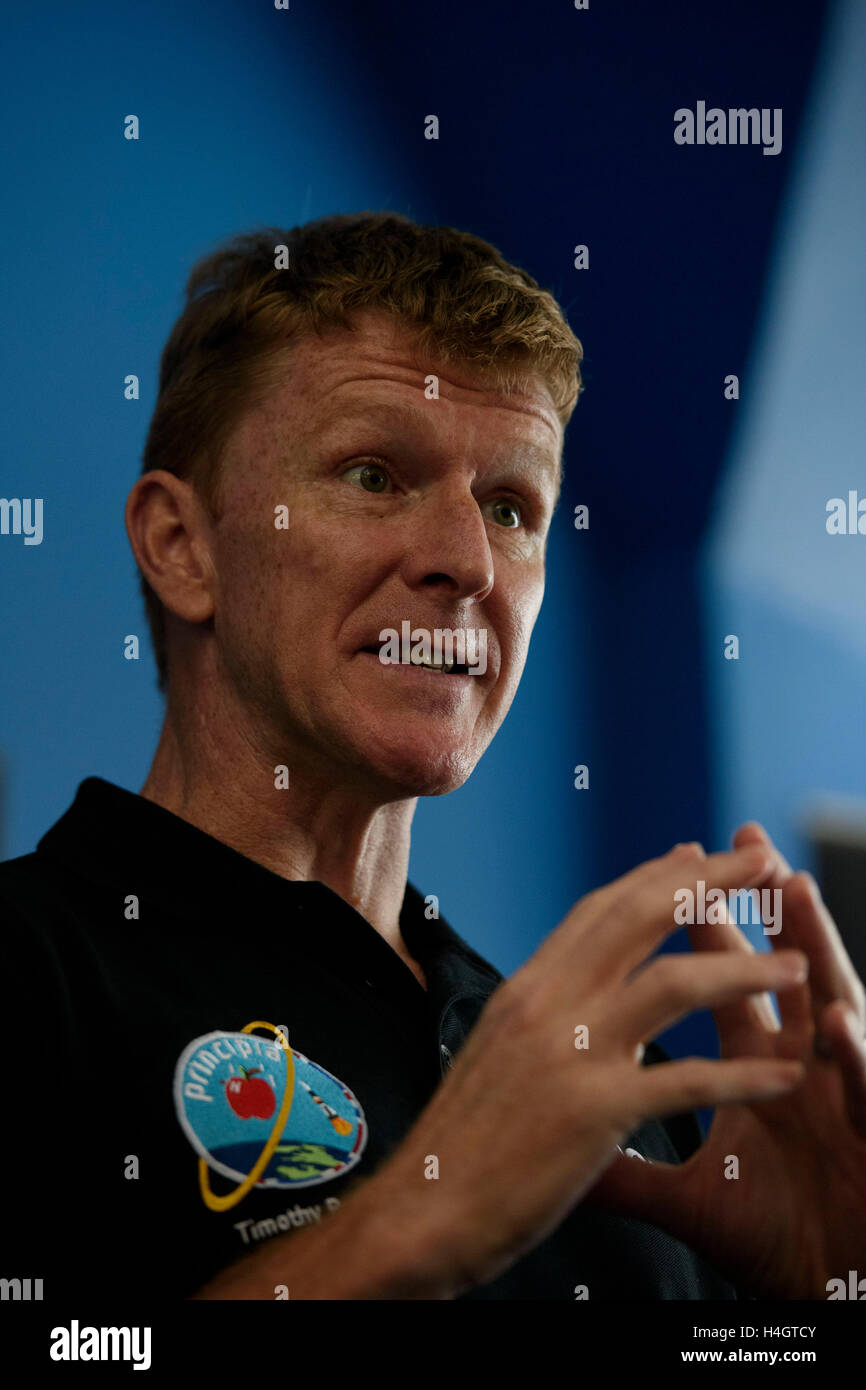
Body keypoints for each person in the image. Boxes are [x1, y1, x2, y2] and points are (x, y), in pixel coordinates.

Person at [3, 213, 864, 1303]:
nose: (467, 561)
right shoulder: (32, 977)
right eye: (373, 475)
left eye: (509, 507)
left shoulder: (620, 1089)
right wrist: (423, 1218)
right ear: (183, 547)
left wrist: (825, 1300)